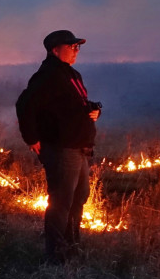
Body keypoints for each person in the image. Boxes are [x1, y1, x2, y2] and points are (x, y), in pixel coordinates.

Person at [15, 30, 102, 264]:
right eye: (71, 46)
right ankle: (56, 256)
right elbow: (25, 105)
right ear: (55, 50)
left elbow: (75, 103)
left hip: (79, 147)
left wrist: (95, 110)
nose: (76, 50)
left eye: (77, 47)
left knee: (79, 197)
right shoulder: (48, 75)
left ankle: (72, 245)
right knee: (61, 203)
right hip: (62, 149)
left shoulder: (71, 74)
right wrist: (32, 139)